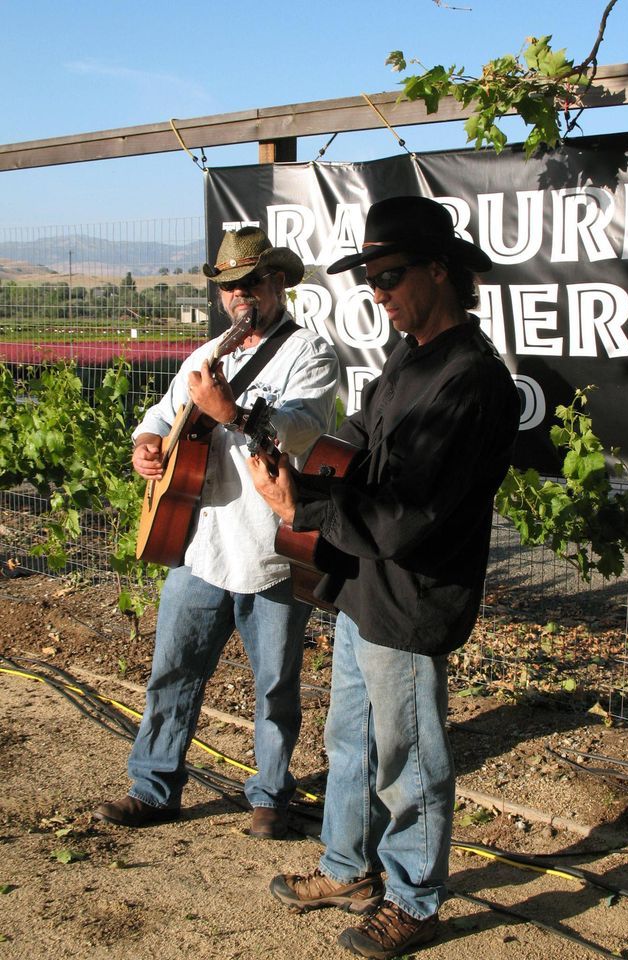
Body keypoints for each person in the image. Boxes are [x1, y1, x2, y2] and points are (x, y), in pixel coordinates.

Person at [249, 195, 521, 959]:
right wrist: (302, 474)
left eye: (391, 274)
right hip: (366, 584)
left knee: (409, 757)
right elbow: (362, 445)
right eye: (370, 278)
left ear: (442, 271)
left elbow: (404, 517)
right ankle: (347, 868)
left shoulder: (470, 380)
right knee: (352, 739)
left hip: (411, 592)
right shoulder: (409, 355)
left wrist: (304, 504)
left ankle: (414, 899)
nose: (379, 292)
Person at [94, 227, 339, 840]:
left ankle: (271, 796)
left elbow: (300, 430)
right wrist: (145, 447)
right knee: (172, 671)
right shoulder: (208, 354)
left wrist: (231, 412)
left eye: (250, 284)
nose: (239, 297)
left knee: (276, 687)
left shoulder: (310, 353)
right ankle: (153, 788)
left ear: (278, 283)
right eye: (229, 288)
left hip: (270, 549)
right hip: (200, 546)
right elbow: (160, 416)